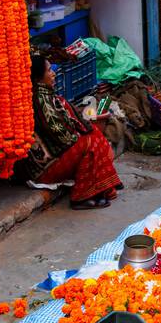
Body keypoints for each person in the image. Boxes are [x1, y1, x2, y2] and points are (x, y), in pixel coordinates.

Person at [26, 55, 122, 208]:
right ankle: (81, 197)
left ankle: (100, 189)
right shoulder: (40, 100)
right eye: (49, 70)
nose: (54, 73)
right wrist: (79, 135)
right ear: (38, 78)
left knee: (94, 135)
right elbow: (62, 137)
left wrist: (80, 132)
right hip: (45, 169)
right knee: (90, 143)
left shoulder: (46, 94)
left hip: (58, 154)